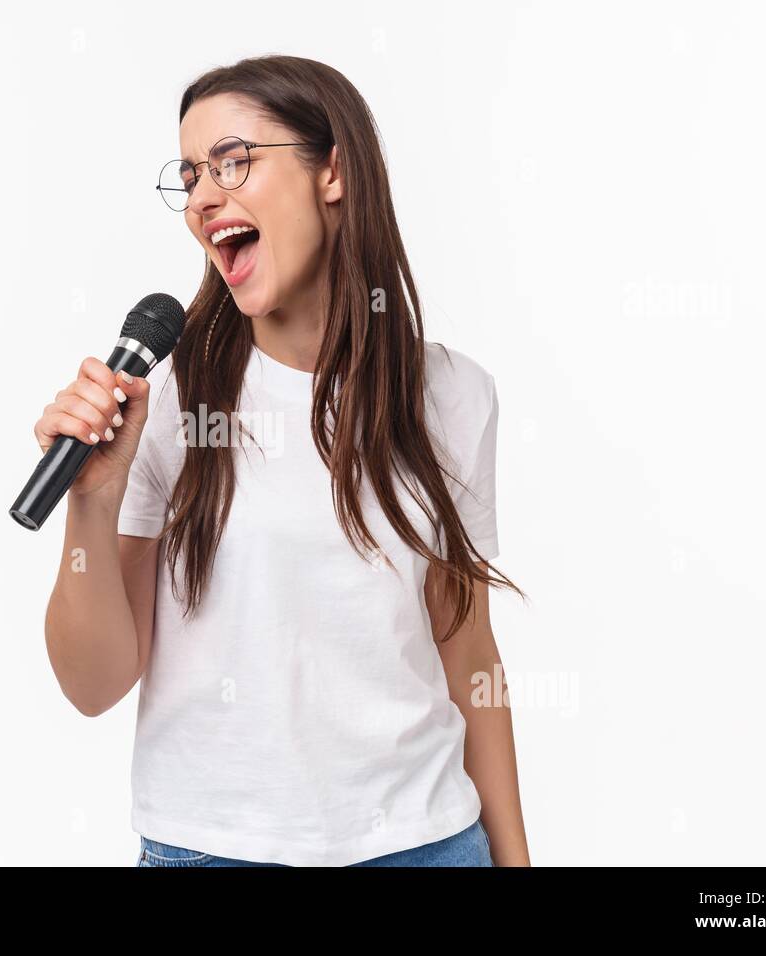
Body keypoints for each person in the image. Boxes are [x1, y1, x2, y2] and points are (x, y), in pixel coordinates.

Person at [38, 55, 530, 867]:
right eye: (191, 174)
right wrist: (93, 498)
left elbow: (469, 653)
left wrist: (514, 861)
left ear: (332, 172)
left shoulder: (453, 395)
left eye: (232, 161)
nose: (202, 196)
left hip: (428, 845)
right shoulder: (167, 401)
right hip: (213, 849)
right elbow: (93, 686)